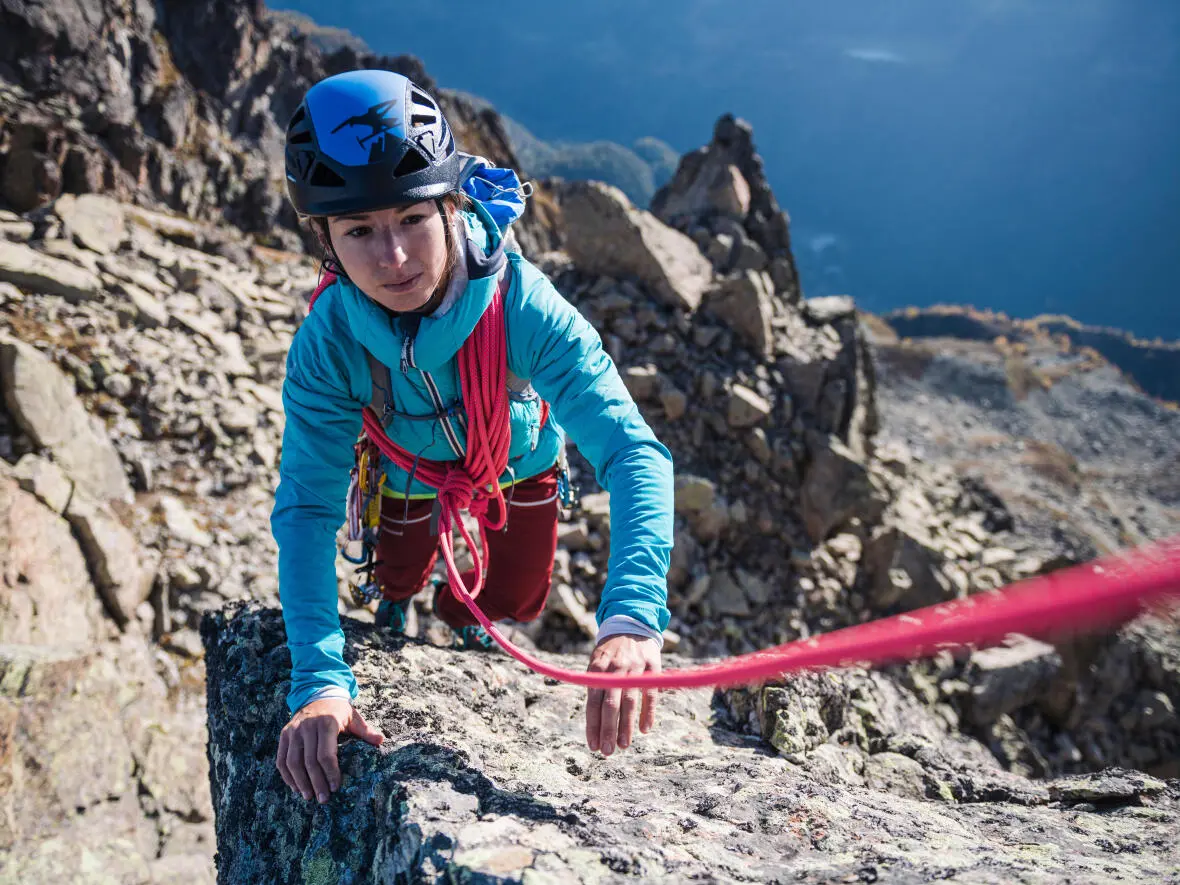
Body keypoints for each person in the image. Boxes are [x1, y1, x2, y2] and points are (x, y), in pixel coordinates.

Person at [271, 70, 675, 805]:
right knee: (396, 573)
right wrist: (320, 681)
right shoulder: (329, 343)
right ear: (324, 238)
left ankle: (465, 622)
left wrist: (632, 617)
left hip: (515, 464)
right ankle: (400, 608)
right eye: (360, 231)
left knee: (516, 591)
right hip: (401, 469)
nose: (393, 258)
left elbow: (632, 451)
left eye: (412, 219)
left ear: (452, 205)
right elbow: (306, 509)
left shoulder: (520, 302)